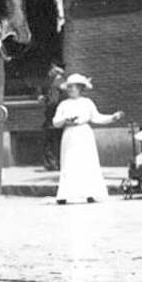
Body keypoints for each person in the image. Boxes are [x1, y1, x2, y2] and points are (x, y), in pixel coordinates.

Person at [52, 72, 123, 204]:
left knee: (87, 162)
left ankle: (90, 193)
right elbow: (55, 122)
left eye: (73, 87)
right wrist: (65, 120)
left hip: (84, 134)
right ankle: (65, 194)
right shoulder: (63, 104)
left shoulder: (87, 103)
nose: (70, 89)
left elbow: (97, 117)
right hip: (69, 135)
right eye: (69, 87)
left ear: (80, 88)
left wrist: (112, 117)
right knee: (69, 162)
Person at [37, 61, 66, 170]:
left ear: (56, 70)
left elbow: (53, 101)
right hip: (59, 116)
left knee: (50, 141)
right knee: (57, 140)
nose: (49, 71)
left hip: (52, 116)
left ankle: (52, 164)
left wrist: (45, 100)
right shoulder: (63, 82)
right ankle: (58, 163)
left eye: (51, 69)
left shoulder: (56, 83)